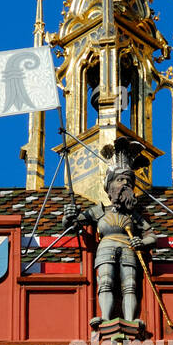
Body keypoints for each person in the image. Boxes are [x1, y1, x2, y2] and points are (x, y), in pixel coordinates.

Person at [65, 138, 155, 323]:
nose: (125, 185)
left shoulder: (133, 216)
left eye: (128, 181)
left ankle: (130, 320)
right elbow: (74, 226)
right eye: (120, 180)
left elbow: (151, 235)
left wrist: (142, 242)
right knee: (105, 282)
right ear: (109, 185)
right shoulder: (99, 211)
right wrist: (69, 216)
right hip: (105, 248)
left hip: (128, 248)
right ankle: (105, 318)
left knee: (129, 285)